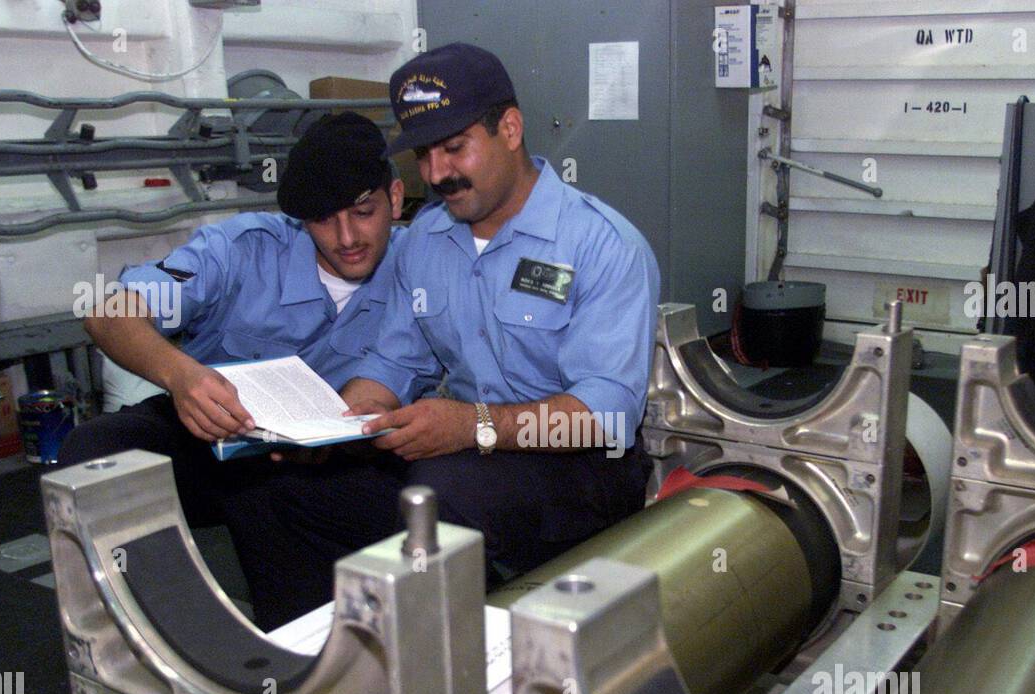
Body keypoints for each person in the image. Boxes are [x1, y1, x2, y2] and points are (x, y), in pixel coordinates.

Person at [245, 42, 661, 626]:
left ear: (510, 129)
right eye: (423, 153)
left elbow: (606, 414)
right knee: (282, 490)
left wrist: (475, 426)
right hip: (465, 452)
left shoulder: (600, 245)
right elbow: (395, 361)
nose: (436, 173)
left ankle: (437, 685)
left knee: (441, 492)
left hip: (583, 466)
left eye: (454, 148)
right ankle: (313, 673)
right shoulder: (426, 241)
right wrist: (331, 427)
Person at [57, 112, 405, 626]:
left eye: (363, 212)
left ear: (395, 198)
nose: (346, 236)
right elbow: (107, 312)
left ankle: (301, 658)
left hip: (335, 453)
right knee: (94, 453)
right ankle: (163, 637)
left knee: (271, 490)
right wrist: (181, 377)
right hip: (212, 428)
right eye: (323, 219)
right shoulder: (243, 249)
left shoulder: (421, 266)